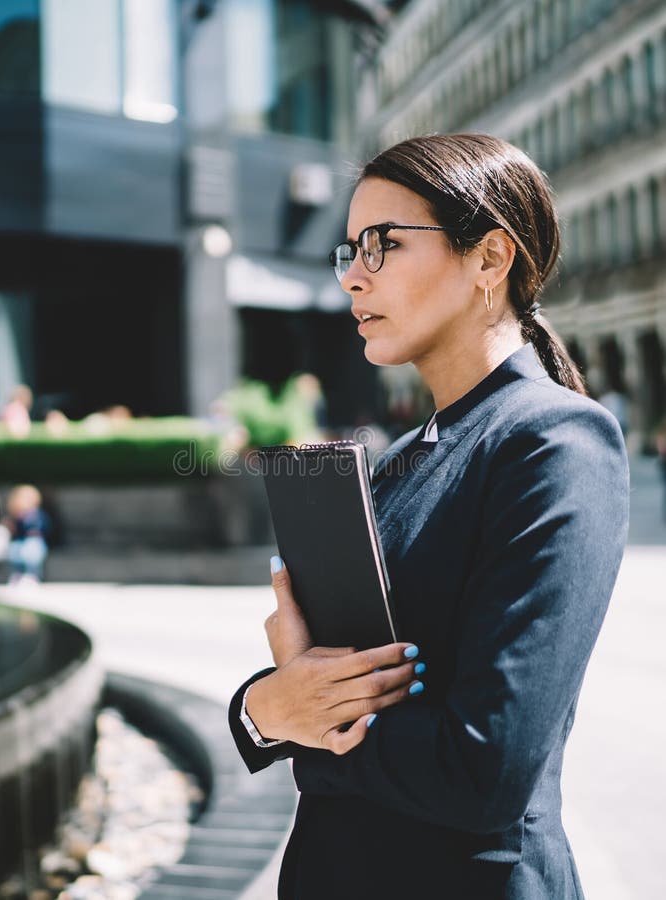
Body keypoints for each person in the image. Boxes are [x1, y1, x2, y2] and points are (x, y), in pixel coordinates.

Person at [227, 134, 629, 900]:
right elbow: (331, 679)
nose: (353, 276)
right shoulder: (405, 452)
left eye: (383, 244)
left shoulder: (555, 441)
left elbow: (486, 767)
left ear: (489, 258)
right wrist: (264, 708)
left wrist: (308, 726)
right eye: (350, 249)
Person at [4, 484, 51, 584]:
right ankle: (18, 574)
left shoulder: (36, 514)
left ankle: (31, 575)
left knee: (31, 549)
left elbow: (43, 528)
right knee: (14, 550)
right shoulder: (16, 517)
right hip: (19, 542)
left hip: (33, 542)